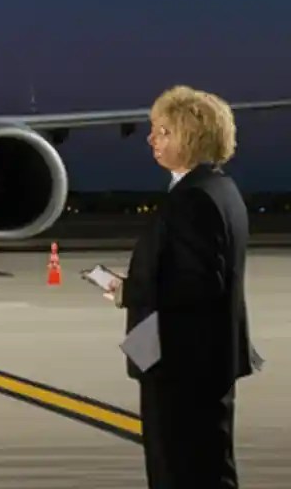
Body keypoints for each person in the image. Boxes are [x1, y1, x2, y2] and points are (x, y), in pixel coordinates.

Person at [109, 86, 255, 489]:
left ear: (192, 136)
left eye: (163, 131)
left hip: (180, 363)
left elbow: (197, 287)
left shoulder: (194, 199)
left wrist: (130, 292)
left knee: (179, 469)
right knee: (207, 466)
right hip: (202, 359)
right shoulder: (220, 190)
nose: (151, 139)